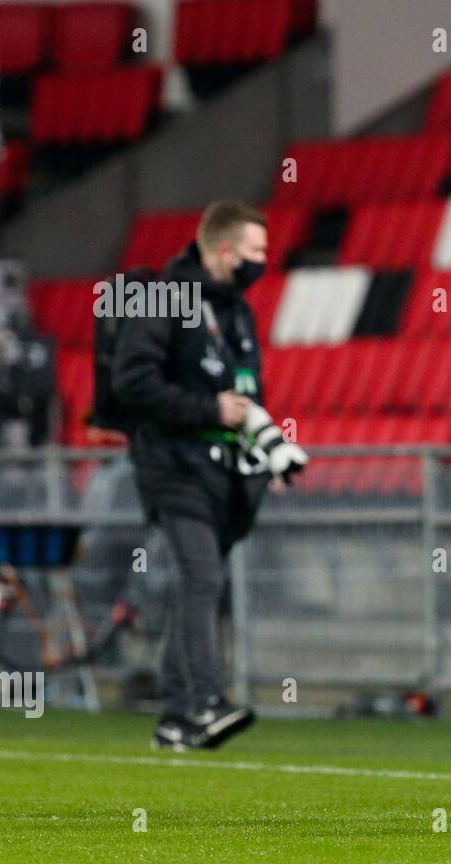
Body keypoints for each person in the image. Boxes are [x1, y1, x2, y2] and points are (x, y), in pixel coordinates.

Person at [112, 200, 308, 750]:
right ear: (223, 250)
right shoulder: (163, 300)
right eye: (254, 251)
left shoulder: (236, 309)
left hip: (225, 472)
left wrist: (264, 454)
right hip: (174, 465)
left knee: (200, 586)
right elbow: (133, 383)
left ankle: (174, 718)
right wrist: (208, 410)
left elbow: (248, 393)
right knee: (201, 578)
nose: (262, 261)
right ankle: (202, 703)